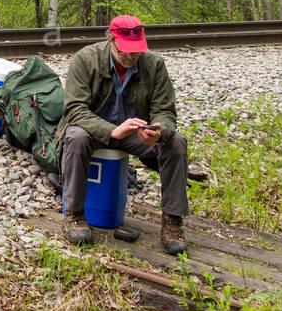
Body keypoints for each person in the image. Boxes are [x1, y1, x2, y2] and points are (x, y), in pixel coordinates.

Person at [60, 15, 189, 255]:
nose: (131, 57)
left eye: (136, 51)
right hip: (94, 128)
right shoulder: (86, 59)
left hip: (135, 132)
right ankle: (74, 215)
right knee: (75, 137)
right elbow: (75, 110)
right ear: (110, 41)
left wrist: (158, 131)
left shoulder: (154, 64)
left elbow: (165, 111)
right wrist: (111, 130)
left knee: (176, 143)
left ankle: (172, 223)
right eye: (125, 52)